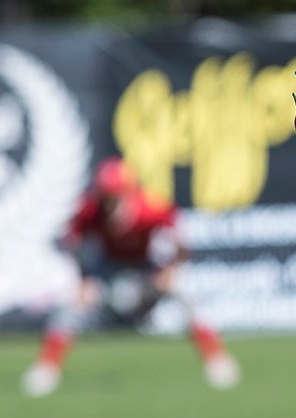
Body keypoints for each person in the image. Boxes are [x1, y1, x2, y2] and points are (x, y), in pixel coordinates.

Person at [20, 156, 240, 396]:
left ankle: (216, 360)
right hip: (108, 268)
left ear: (130, 194)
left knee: (184, 294)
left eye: (117, 196)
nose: (111, 204)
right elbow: (72, 243)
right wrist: (83, 279)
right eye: (107, 197)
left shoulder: (151, 209)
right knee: (71, 305)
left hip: (144, 268)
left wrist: (169, 270)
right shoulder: (90, 210)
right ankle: (46, 369)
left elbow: (182, 243)